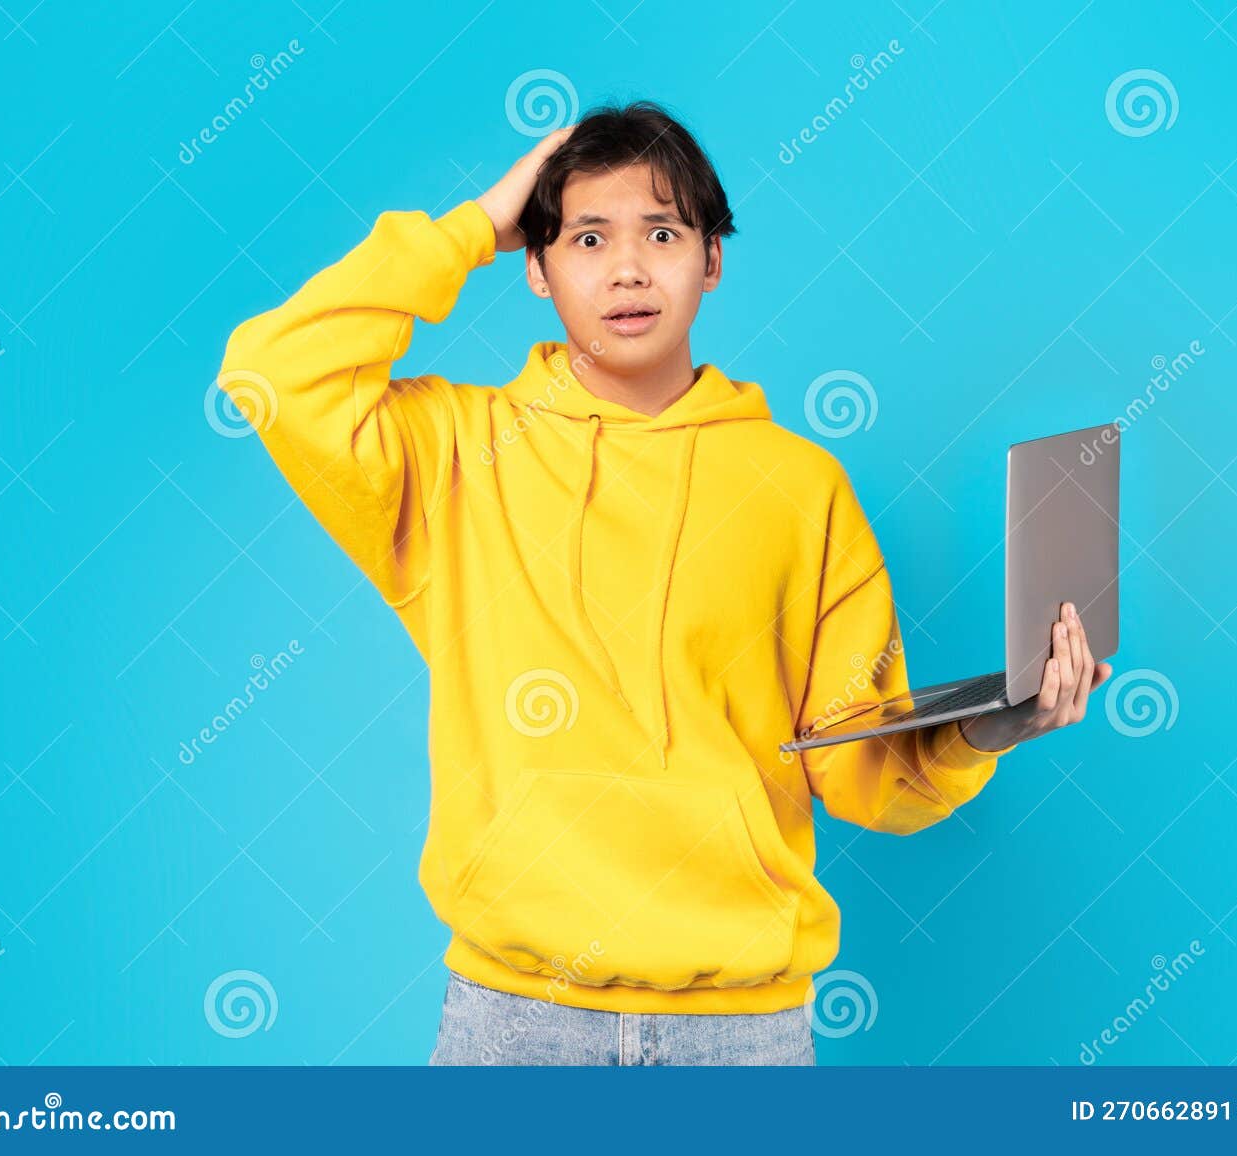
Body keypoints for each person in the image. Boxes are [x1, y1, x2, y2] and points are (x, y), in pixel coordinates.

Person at [216, 100, 1111, 1066]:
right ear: (535, 266)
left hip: (743, 1033)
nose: (628, 270)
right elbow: (275, 370)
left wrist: (993, 726)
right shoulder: (455, 456)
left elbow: (861, 769)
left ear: (711, 260)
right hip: (511, 1024)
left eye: (662, 233)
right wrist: (471, 227)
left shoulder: (799, 487)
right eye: (587, 238)